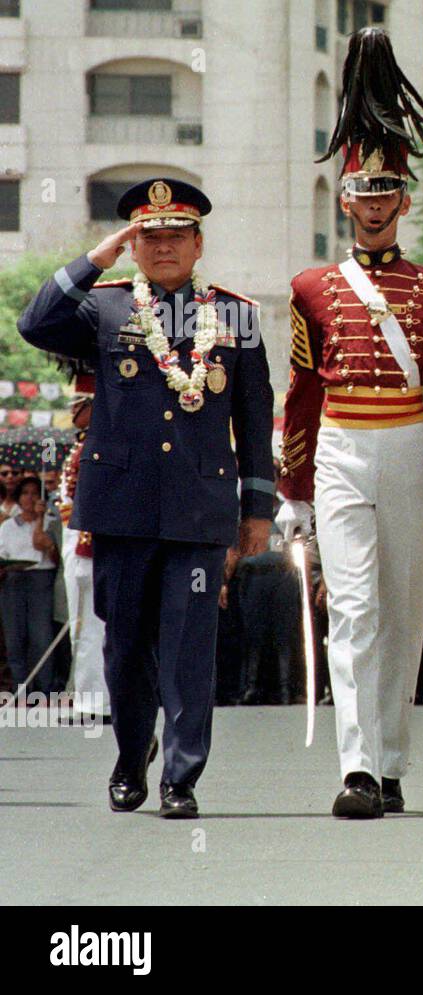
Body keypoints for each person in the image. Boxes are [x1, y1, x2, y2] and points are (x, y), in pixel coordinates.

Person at [18, 175, 275, 818]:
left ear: (198, 243)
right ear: (135, 245)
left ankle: (181, 778)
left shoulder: (236, 315)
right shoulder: (103, 307)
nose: (164, 247)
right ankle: (133, 756)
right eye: (150, 236)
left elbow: (254, 411)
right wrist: (95, 258)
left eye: (176, 236)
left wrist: (259, 510)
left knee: (190, 644)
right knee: (125, 644)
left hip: (198, 508)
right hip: (123, 506)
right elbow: (34, 322)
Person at [275, 27, 423, 819]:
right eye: (359, 194)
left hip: (408, 443)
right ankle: (357, 766)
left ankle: (394, 761)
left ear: (404, 200)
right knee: (354, 607)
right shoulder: (309, 287)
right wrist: (291, 483)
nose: (370, 206)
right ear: (346, 200)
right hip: (339, 448)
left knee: (403, 609)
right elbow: (299, 390)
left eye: (384, 194)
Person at [58, 382, 110, 718]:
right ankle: (84, 693)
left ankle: (96, 699)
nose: (72, 409)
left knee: (92, 625)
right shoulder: (82, 443)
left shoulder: (98, 443)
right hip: (73, 539)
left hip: (86, 542)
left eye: (78, 402)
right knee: (79, 625)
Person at [0, 474, 59, 696]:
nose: (30, 498)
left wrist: (41, 521)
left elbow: (53, 558)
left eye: (35, 493)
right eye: (25, 493)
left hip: (40, 580)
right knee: (15, 637)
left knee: (41, 636)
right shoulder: (7, 526)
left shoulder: (51, 522)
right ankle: (20, 689)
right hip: (14, 580)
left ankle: (44, 689)